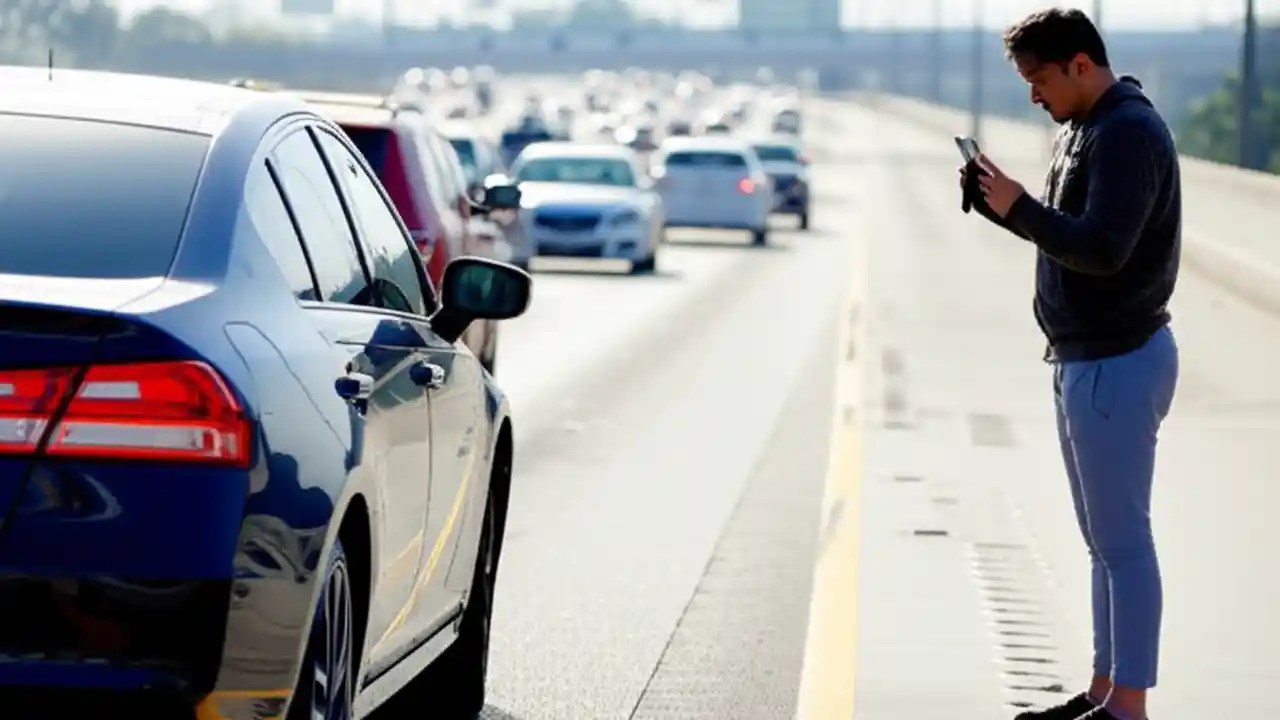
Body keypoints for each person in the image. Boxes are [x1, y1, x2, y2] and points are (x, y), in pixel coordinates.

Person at [959, 8, 1181, 720]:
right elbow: (1067, 237)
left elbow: (1103, 250)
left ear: (1081, 64)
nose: (1033, 95)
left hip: (1118, 359)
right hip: (1084, 357)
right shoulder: (1083, 129)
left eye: (1039, 79)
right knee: (1102, 544)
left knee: (1123, 544)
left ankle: (1129, 708)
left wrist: (1021, 206)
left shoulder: (1127, 133)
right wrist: (1004, 206)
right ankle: (1102, 694)